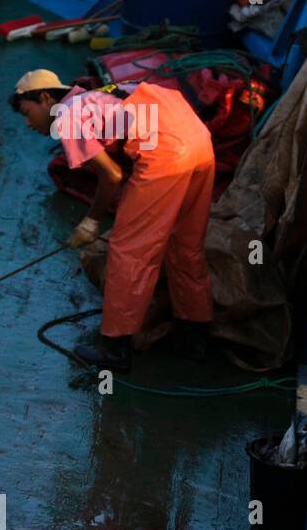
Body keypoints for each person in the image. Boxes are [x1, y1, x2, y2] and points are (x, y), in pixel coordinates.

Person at [11, 68, 216, 373]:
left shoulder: (67, 117)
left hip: (165, 153)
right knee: (185, 244)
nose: (28, 123)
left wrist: (91, 221)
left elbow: (112, 175)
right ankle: (195, 338)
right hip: (199, 140)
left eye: (27, 113)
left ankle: (114, 350)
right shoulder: (99, 94)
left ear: (45, 99)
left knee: (128, 251)